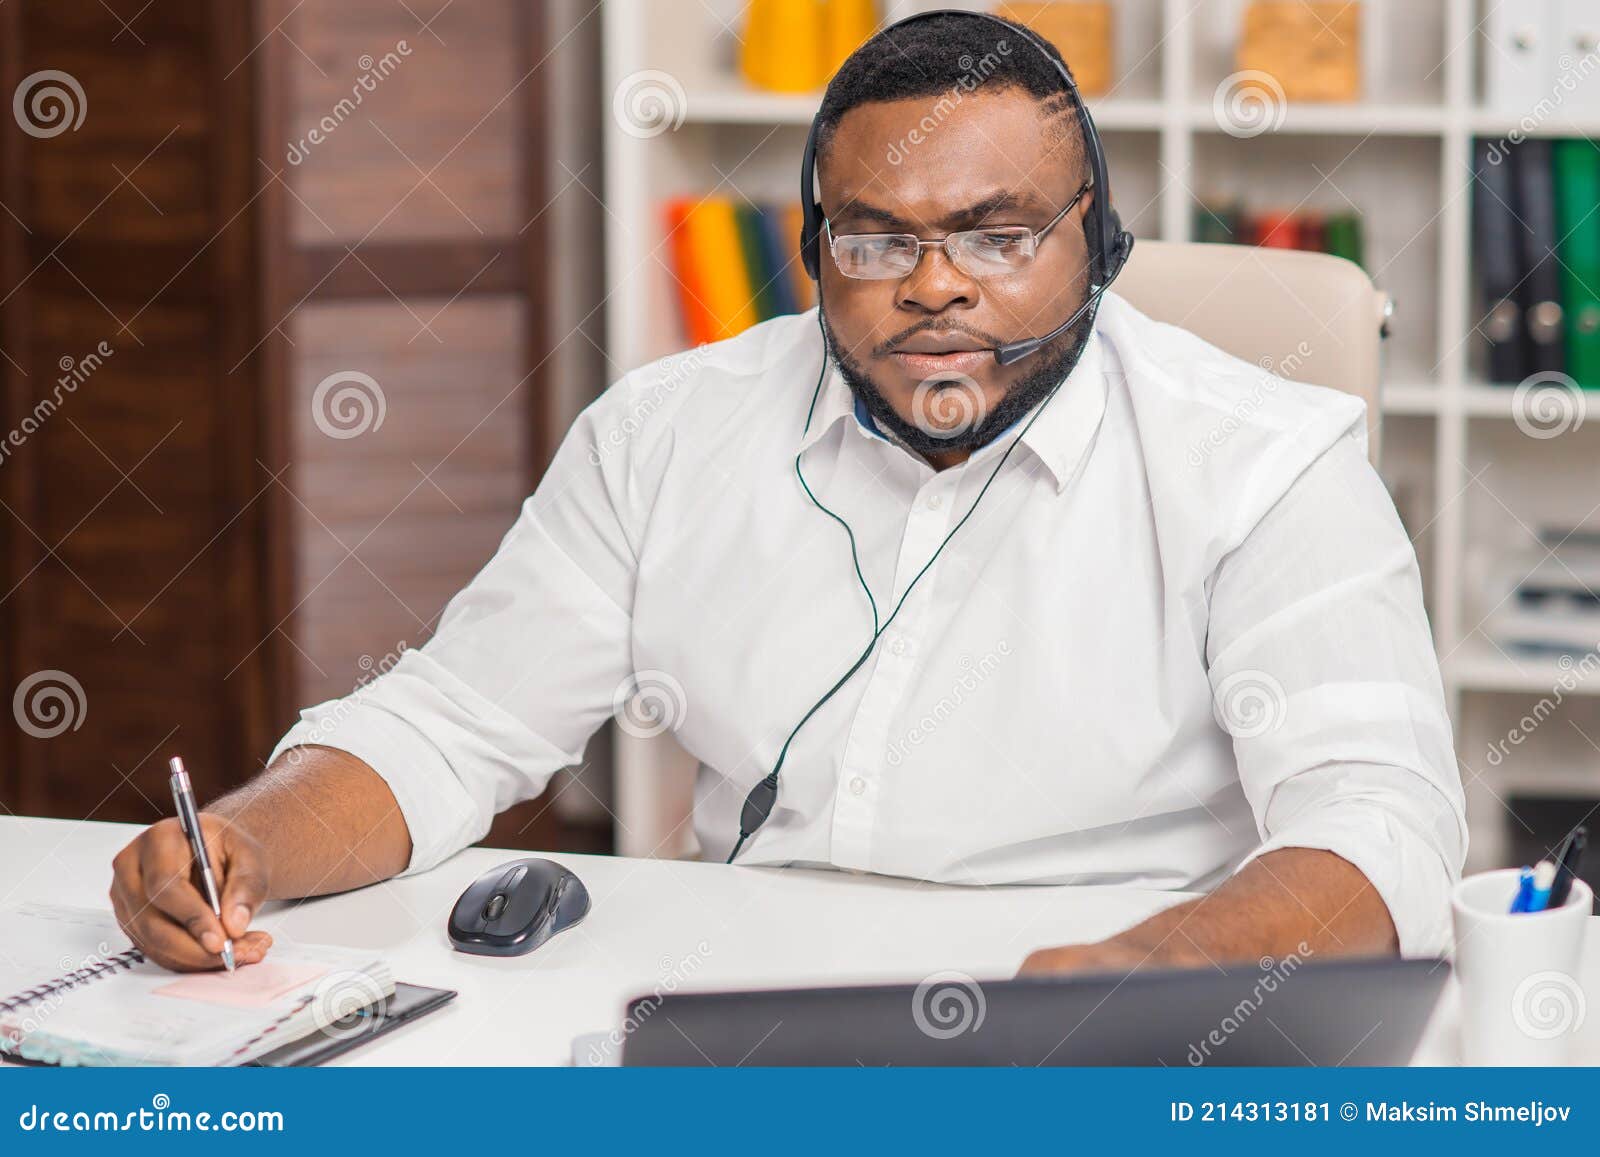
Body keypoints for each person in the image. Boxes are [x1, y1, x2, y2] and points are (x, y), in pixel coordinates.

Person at [111, 12, 1464, 976]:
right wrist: (242, 842)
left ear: (1096, 244)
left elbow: (1377, 821)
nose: (935, 285)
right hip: (746, 1013)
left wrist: (1140, 973)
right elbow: (456, 723)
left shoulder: (1266, 462)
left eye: (997, 235)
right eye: (877, 237)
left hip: (1123, 1013)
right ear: (813, 250)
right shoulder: (665, 431)